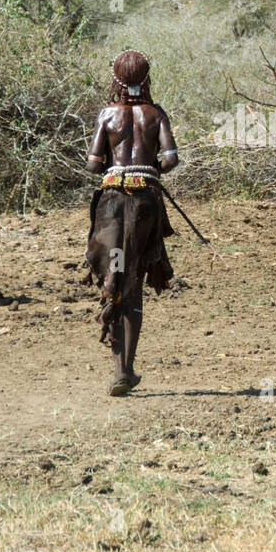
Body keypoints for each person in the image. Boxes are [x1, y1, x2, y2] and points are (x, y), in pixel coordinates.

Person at [83, 50, 178, 397]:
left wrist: (115, 163)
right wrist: (147, 164)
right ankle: (126, 370)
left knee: (115, 274)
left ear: (116, 79)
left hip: (112, 205)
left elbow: (94, 165)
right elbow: (170, 159)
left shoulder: (107, 115)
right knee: (134, 278)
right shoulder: (155, 115)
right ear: (146, 78)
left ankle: (119, 369)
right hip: (146, 206)